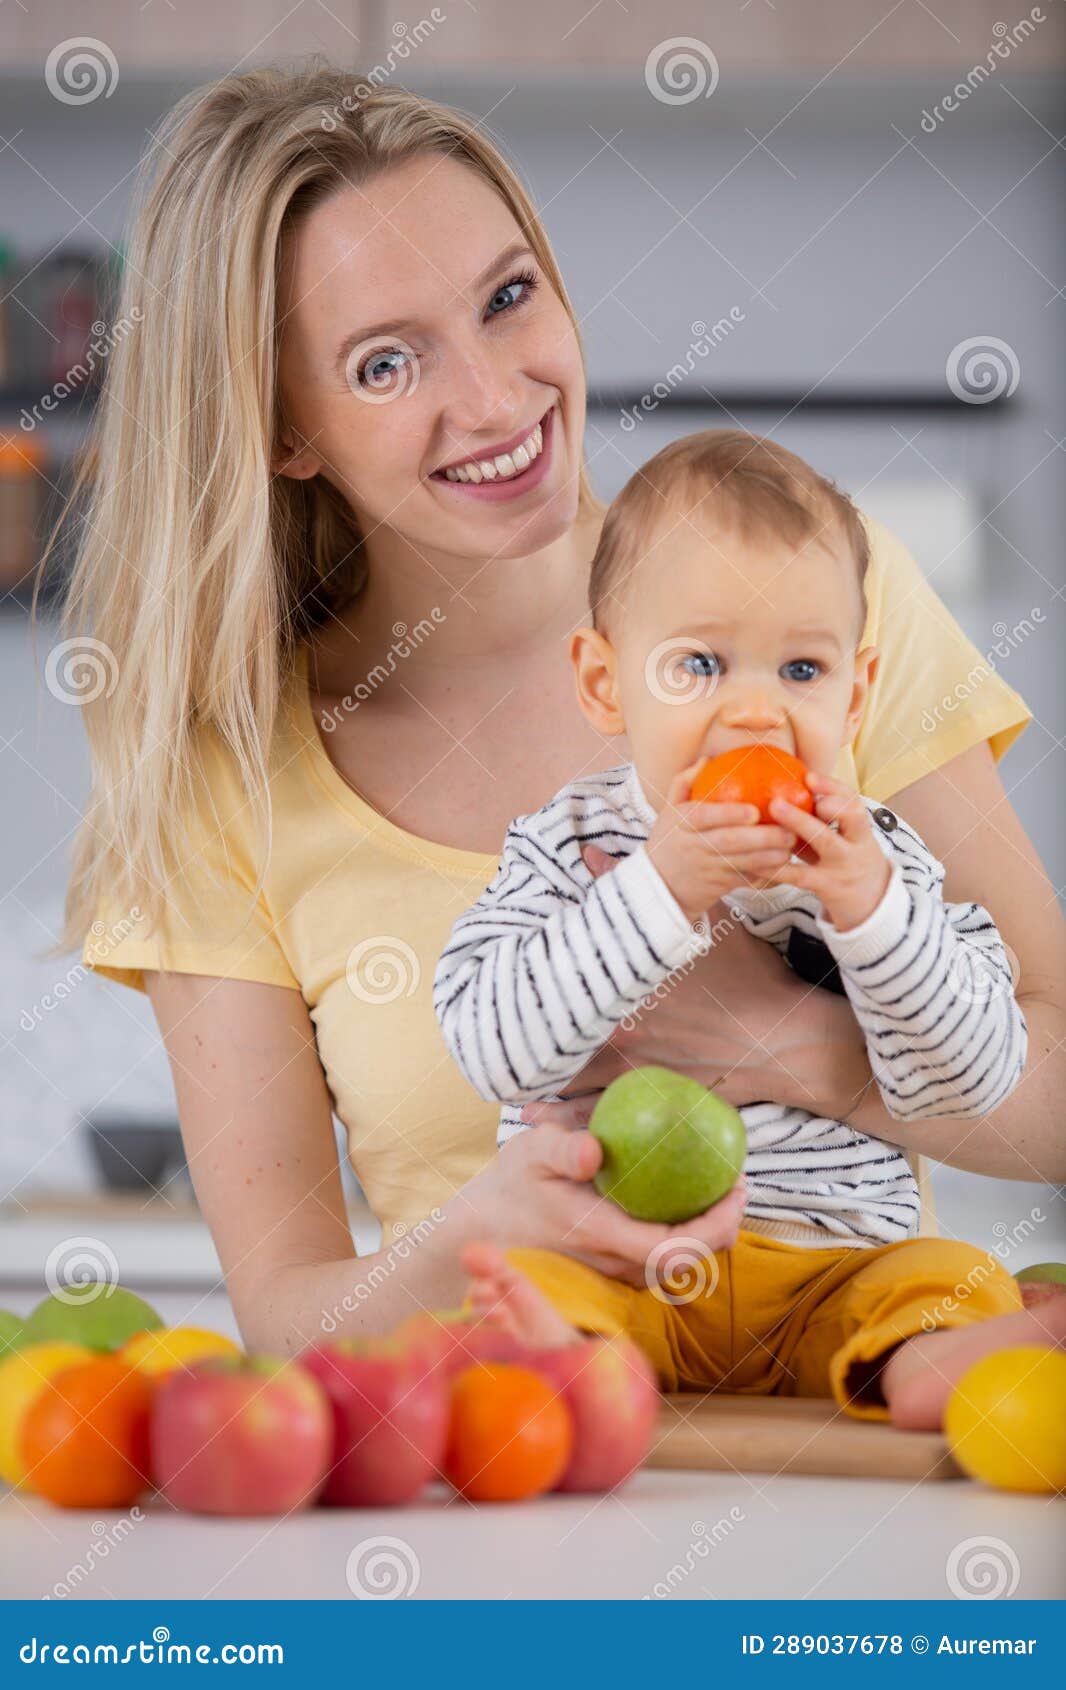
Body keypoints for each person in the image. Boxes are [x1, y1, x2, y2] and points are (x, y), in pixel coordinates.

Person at [55, 66, 1062, 1354]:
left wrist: (781, 1045)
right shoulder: (224, 771)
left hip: (851, 1455)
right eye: (382, 362)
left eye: (506, 297)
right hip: (522, 1473)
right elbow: (290, 1318)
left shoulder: (814, 607)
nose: (491, 400)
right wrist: (482, 1226)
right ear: (283, 430)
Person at [433, 429, 1054, 1429]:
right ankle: (572, 1365)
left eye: (801, 670)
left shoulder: (885, 866)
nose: (757, 711)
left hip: (834, 1267)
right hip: (623, 1255)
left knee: (945, 1276)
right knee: (534, 1288)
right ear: (604, 684)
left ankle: (934, 1364)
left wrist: (874, 917)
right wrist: (660, 887)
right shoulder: (568, 850)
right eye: (702, 665)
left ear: (854, 698)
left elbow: (977, 1076)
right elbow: (489, 1046)